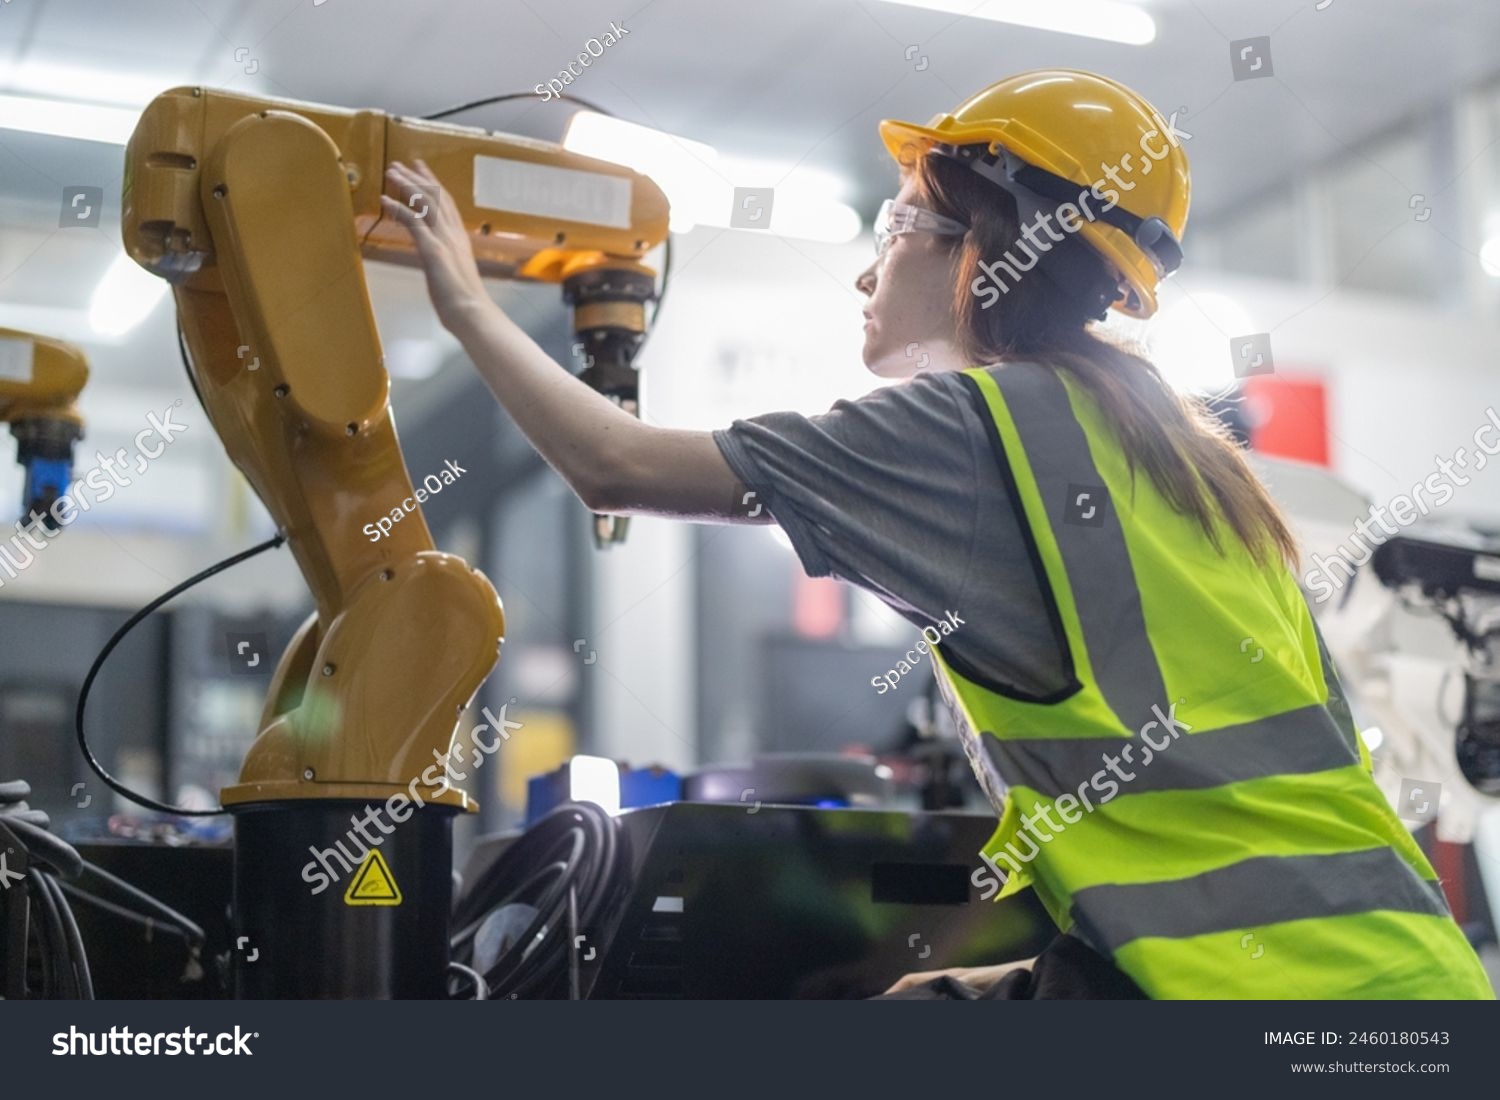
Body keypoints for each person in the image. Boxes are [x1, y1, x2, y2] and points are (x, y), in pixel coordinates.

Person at [381, 69, 1493, 999]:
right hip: (1408, 980)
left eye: (896, 226)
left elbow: (616, 465)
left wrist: (467, 304)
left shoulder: (977, 424)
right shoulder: (1186, 454)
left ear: (980, 248)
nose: (870, 268)